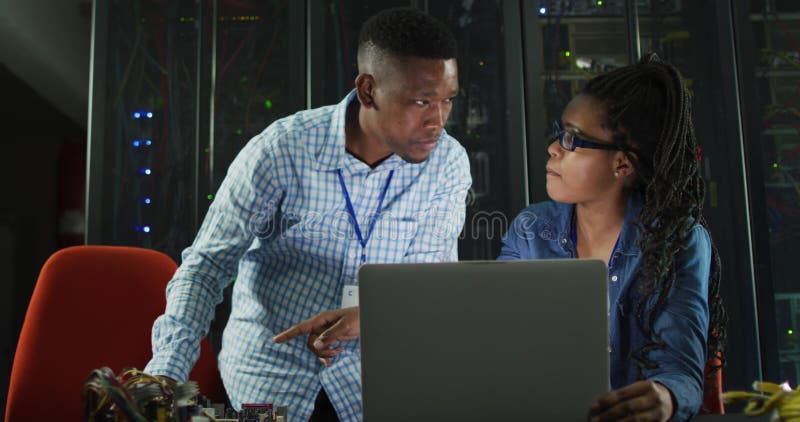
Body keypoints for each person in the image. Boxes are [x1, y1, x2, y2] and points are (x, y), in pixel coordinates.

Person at [275, 54, 726, 422]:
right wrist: (376, 317)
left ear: (623, 164)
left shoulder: (680, 242)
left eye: (572, 140)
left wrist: (665, 397)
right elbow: (486, 324)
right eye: (558, 133)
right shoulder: (532, 229)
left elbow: (681, 365)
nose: (553, 148)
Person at [144, 8, 471, 422]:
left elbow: (429, 285)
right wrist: (165, 375)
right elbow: (206, 267)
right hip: (269, 377)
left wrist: (372, 317)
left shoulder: (448, 164)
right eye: (422, 101)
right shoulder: (281, 150)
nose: (438, 122)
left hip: (372, 381)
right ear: (368, 90)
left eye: (447, 101)